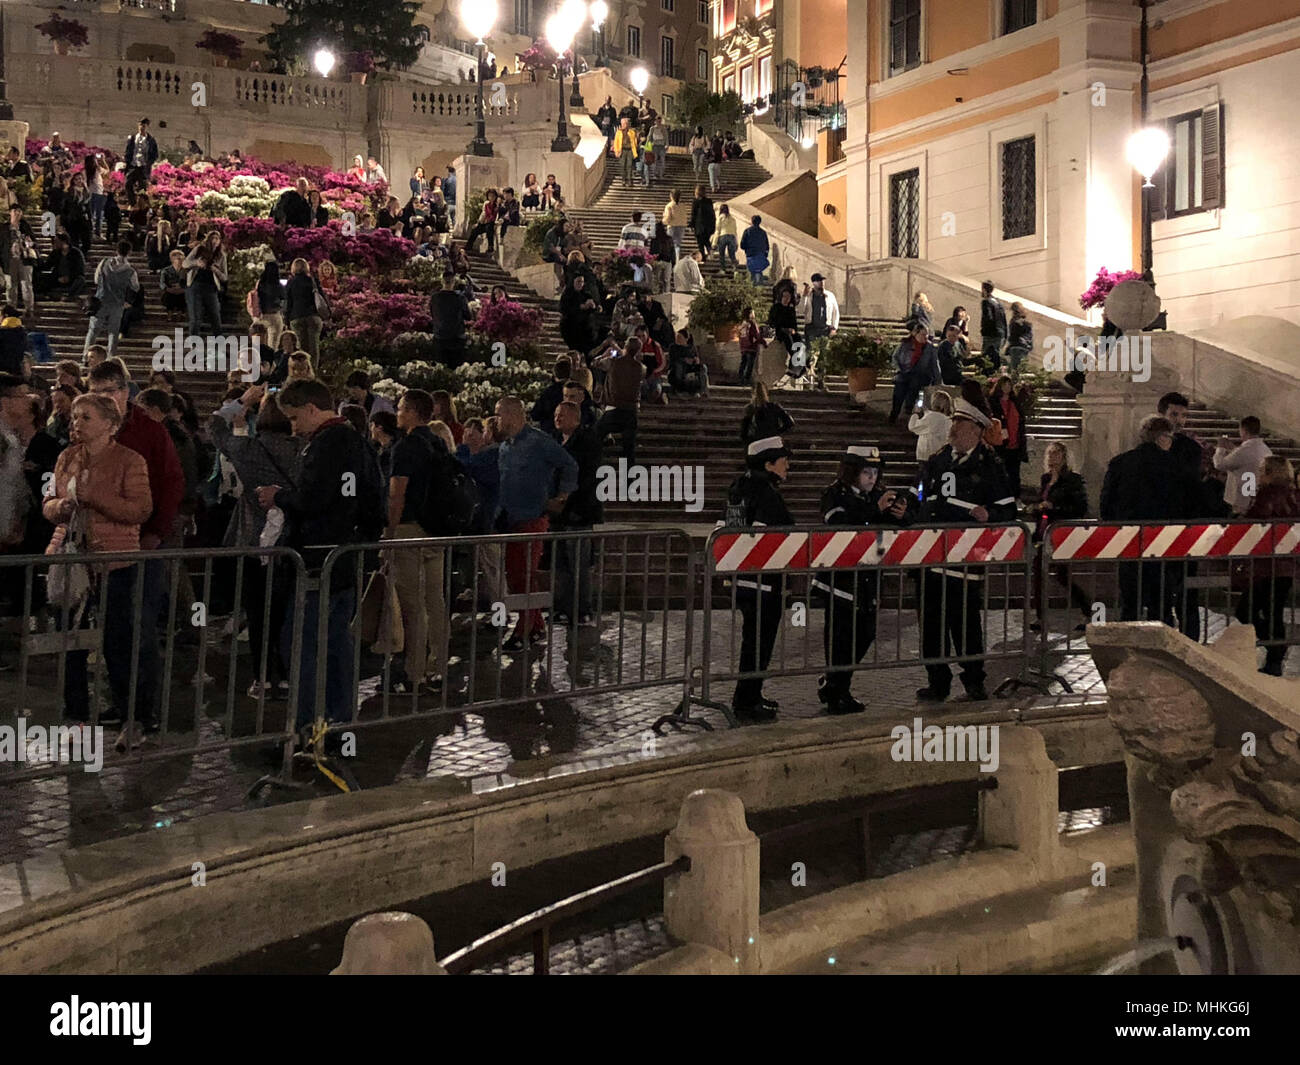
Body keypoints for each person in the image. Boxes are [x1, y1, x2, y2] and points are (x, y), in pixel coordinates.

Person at [256, 379, 383, 735]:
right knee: (335, 642)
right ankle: (336, 721)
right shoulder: (357, 442)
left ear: (312, 408)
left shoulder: (329, 445)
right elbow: (371, 502)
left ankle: (310, 726)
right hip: (342, 557)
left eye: (296, 418)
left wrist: (279, 497)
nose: (294, 428)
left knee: (305, 643)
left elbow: (316, 500)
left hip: (319, 557)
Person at [43, 393, 153, 744]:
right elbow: (49, 501)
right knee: (69, 640)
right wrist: (60, 506)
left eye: (86, 417)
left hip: (114, 561)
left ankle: (133, 715)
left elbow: (138, 510)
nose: (77, 423)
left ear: (110, 424)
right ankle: (75, 714)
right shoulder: (66, 457)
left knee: (118, 641)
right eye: (75, 416)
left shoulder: (129, 461)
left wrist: (95, 499)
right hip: (71, 558)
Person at [916, 394, 1017, 702]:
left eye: (959, 423)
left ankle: (974, 679)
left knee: (965, 624)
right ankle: (938, 680)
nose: (953, 428)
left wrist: (990, 515)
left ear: (975, 429)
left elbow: (1007, 508)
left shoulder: (989, 465)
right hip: (931, 557)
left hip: (965, 562)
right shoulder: (939, 459)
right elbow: (921, 493)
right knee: (932, 625)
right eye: (954, 422)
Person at [814, 446, 910, 715]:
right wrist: (872, 508)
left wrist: (903, 514)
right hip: (840, 581)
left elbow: (902, 523)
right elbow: (841, 523)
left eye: (875, 472)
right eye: (865, 472)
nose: (871, 477)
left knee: (865, 634)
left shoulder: (877, 496)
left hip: (868, 579)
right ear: (852, 472)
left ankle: (835, 685)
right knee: (840, 639)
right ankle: (837, 693)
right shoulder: (834, 494)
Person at [493, 395, 578, 651]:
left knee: (525, 572)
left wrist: (561, 496)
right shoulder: (505, 447)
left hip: (532, 517)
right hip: (511, 518)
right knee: (516, 574)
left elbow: (569, 464)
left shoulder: (539, 442)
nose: (496, 419)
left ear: (513, 414)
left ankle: (525, 629)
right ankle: (536, 623)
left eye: (499, 414)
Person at [1100, 415, 1201, 627]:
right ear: (1163, 438)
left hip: (1129, 539)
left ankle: (1129, 647)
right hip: (1165, 540)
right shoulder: (1176, 466)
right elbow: (1190, 502)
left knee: (1130, 601)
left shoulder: (1121, 462)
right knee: (1161, 601)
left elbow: (1106, 502)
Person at [383, 388, 451, 696]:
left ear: (411, 411)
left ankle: (414, 673)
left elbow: (397, 495)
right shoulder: (437, 442)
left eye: (400, 408)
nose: (397, 413)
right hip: (436, 529)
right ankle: (438, 666)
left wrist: (388, 533)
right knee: (435, 602)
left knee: (412, 605)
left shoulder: (406, 446)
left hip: (409, 529)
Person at [725, 436, 795, 722]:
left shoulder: (740, 486)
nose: (788, 465)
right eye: (783, 460)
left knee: (752, 641)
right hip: (763, 582)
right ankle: (746, 700)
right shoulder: (766, 493)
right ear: (768, 464)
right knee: (759, 642)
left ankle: (750, 694)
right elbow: (780, 531)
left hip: (744, 579)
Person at [1236, 456, 1298, 675]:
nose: (1259, 474)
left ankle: (1276, 646)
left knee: (1245, 610)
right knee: (1274, 611)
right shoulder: (1294, 495)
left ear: (1270, 472)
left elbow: (1253, 523)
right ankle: (1275, 658)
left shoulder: (1267, 495)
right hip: (1286, 566)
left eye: (1262, 470)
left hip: (1265, 566)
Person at [1027, 441, 1090, 633]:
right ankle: (1040, 618)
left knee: (1063, 575)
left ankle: (1088, 610)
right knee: (1038, 573)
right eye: (1050, 453)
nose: (1053, 457)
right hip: (1043, 532)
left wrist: (1056, 508)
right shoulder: (1046, 479)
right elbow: (1042, 502)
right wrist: (1036, 509)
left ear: (1064, 457)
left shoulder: (1072, 480)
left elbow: (1080, 508)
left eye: (1057, 454)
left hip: (1061, 532)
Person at [550, 400, 601, 627]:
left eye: (562, 415)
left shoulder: (587, 442)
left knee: (578, 564)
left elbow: (587, 478)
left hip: (579, 512)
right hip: (558, 514)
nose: (557, 419)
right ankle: (562, 606)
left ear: (575, 418)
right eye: (556, 415)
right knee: (561, 564)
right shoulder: (555, 442)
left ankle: (582, 609)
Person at [84, 241, 139, 358]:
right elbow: (135, 287)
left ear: (116, 250)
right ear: (129, 252)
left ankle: (86, 357)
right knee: (113, 333)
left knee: (93, 331)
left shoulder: (104, 262)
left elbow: (96, 279)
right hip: (117, 303)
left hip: (100, 300)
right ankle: (110, 357)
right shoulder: (130, 271)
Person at [593, 338, 645, 463]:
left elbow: (595, 363)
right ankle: (629, 480)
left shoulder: (613, 362)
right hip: (631, 411)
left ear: (625, 346)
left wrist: (606, 354)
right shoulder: (640, 368)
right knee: (629, 449)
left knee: (595, 436)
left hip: (613, 407)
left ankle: (594, 467)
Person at [1213, 416, 1272, 515]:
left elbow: (1219, 464)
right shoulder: (1266, 450)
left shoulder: (1245, 450)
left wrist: (1220, 448)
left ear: (1244, 430)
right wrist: (1234, 449)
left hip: (1240, 500)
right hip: (1255, 497)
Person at [888, 319, 940, 424]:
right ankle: (894, 413)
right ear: (915, 334)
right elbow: (895, 357)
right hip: (904, 372)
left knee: (915, 383)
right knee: (899, 387)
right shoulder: (905, 344)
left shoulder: (930, 348)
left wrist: (937, 380)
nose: (925, 337)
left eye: (926, 335)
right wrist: (899, 369)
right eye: (922, 335)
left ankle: (909, 407)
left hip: (921, 374)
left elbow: (934, 365)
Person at [987, 375, 1027, 501]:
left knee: (1014, 473)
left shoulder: (1015, 402)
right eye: (1004, 385)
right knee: (1000, 472)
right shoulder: (994, 402)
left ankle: (1016, 497)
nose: (1007, 388)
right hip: (1000, 443)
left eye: (1009, 385)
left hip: (1015, 442)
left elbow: (1020, 421)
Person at [182, 230, 226, 338]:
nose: (215, 241)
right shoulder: (199, 249)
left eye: (217, 239)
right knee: (195, 318)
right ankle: (194, 342)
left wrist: (215, 270)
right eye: (213, 238)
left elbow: (224, 277)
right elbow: (185, 263)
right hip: (195, 286)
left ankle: (219, 343)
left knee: (215, 316)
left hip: (211, 288)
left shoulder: (221, 255)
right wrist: (196, 263)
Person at [799, 273, 839, 385]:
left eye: (822, 280)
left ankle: (821, 380)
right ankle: (809, 377)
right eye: (819, 281)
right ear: (814, 283)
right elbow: (801, 310)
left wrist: (834, 327)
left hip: (825, 328)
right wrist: (804, 296)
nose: (822, 283)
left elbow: (836, 312)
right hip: (811, 328)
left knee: (823, 355)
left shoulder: (829, 295)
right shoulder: (809, 295)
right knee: (811, 353)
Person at [428, 271, 472, 368]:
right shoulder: (460, 298)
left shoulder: (434, 298)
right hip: (456, 337)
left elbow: (432, 314)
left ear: (442, 281)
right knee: (456, 369)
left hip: (439, 336)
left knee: (440, 369)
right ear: (453, 282)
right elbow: (468, 316)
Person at [284, 257, 323, 359]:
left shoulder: (291, 283)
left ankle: (302, 369)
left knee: (301, 346)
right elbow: (321, 297)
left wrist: (286, 320)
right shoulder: (313, 281)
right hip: (313, 315)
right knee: (314, 346)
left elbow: (288, 303)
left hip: (296, 316)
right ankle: (312, 370)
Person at [908, 388, 952, 477]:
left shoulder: (932, 417)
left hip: (927, 453)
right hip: (941, 454)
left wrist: (915, 413)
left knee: (924, 477)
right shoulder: (948, 419)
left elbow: (913, 426)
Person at [0, 206, 37, 312]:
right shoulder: (3, 228)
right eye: (15, 211)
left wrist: (29, 243)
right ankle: (11, 309)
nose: (17, 213)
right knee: (11, 285)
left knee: (26, 285)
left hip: (24, 259)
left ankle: (29, 309)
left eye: (19, 211)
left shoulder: (25, 227)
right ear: (10, 213)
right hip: (9, 260)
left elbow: (33, 242)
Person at [767, 285, 803, 386]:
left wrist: (793, 330)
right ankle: (793, 360)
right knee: (788, 340)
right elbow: (772, 322)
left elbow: (794, 324)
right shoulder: (776, 307)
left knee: (798, 339)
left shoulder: (791, 310)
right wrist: (785, 329)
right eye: (785, 297)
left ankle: (794, 366)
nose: (786, 299)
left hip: (790, 331)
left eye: (788, 297)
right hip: (780, 331)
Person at [34, 231, 86, 301]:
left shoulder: (76, 253)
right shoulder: (55, 253)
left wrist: (69, 277)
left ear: (63, 241)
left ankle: (70, 296)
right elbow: (47, 266)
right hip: (58, 278)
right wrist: (38, 258)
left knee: (81, 280)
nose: (54, 243)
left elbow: (80, 269)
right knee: (42, 277)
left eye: (56, 241)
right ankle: (45, 294)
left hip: (72, 279)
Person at [739, 380, 794, 444]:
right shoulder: (774, 407)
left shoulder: (750, 409)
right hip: (773, 440)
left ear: (752, 394)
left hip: (756, 441)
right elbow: (789, 423)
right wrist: (777, 432)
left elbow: (744, 431)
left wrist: (750, 440)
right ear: (766, 393)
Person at [531, 356, 573, 427]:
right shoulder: (577, 390)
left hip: (549, 430)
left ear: (555, 373)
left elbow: (535, 414)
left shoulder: (549, 392)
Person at [251, 260, 284, 348]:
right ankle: (270, 359)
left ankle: (258, 358)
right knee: (273, 343)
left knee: (258, 342)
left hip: (261, 314)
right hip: (274, 314)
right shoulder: (278, 285)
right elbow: (283, 297)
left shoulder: (260, 283)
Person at [124, 117, 159, 198]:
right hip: (133, 165)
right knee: (128, 184)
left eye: (143, 126)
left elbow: (155, 154)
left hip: (143, 167)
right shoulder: (132, 138)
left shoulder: (150, 140)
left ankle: (141, 206)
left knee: (142, 187)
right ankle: (132, 202)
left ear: (146, 127)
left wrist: (149, 163)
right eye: (140, 125)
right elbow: (128, 151)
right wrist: (127, 161)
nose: (141, 127)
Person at [667, 330, 708, 398]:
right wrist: (685, 360)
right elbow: (673, 359)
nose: (677, 339)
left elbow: (696, 358)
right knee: (679, 365)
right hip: (676, 370)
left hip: (690, 369)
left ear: (686, 338)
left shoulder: (692, 348)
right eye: (677, 337)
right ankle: (679, 389)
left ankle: (702, 390)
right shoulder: (673, 347)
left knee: (703, 367)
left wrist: (695, 360)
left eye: (680, 337)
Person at [979, 280, 1007, 370]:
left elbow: (988, 317)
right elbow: (1003, 319)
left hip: (990, 333)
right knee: (995, 355)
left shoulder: (986, 302)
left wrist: (983, 330)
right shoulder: (998, 302)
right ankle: (995, 373)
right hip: (1000, 333)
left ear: (984, 289)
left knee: (986, 356)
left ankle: (987, 374)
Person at [737, 306, 768, 386]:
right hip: (751, 347)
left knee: (743, 363)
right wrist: (764, 342)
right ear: (750, 314)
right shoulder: (752, 323)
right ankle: (746, 380)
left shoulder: (742, 323)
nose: (754, 314)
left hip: (743, 347)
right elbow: (757, 335)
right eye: (753, 312)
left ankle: (740, 378)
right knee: (750, 365)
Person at [466, 188, 500, 254]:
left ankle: (490, 246)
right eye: (489, 196)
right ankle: (469, 246)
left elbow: (496, 215)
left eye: (493, 196)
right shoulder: (487, 204)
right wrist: (478, 223)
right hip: (486, 222)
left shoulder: (497, 205)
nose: (491, 197)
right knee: (475, 230)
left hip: (493, 223)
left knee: (489, 227)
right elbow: (483, 214)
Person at [740, 214, 770, 286]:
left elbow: (742, 244)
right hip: (760, 254)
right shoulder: (763, 232)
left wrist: (746, 249)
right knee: (758, 269)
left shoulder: (747, 231)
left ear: (752, 221)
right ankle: (759, 284)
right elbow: (767, 245)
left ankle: (753, 285)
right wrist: (765, 254)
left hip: (751, 254)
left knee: (752, 270)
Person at [611, 117, 640, 189]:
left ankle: (629, 179)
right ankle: (623, 179)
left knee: (629, 165)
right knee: (622, 165)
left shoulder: (632, 132)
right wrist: (616, 151)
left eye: (626, 123)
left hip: (630, 150)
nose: (625, 125)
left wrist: (635, 150)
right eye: (623, 123)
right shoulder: (619, 132)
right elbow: (616, 142)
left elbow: (634, 141)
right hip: (622, 150)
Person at [1006, 302, 1033, 371]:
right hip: (1020, 347)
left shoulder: (1013, 321)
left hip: (1017, 346)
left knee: (1016, 369)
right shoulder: (1021, 322)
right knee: (1018, 369)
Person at [714, 204, 738, 270]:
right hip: (732, 237)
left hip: (723, 236)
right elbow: (735, 231)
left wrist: (714, 242)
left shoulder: (720, 218)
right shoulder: (733, 219)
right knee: (732, 255)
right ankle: (735, 269)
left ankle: (722, 269)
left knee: (722, 254)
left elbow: (717, 230)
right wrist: (736, 242)